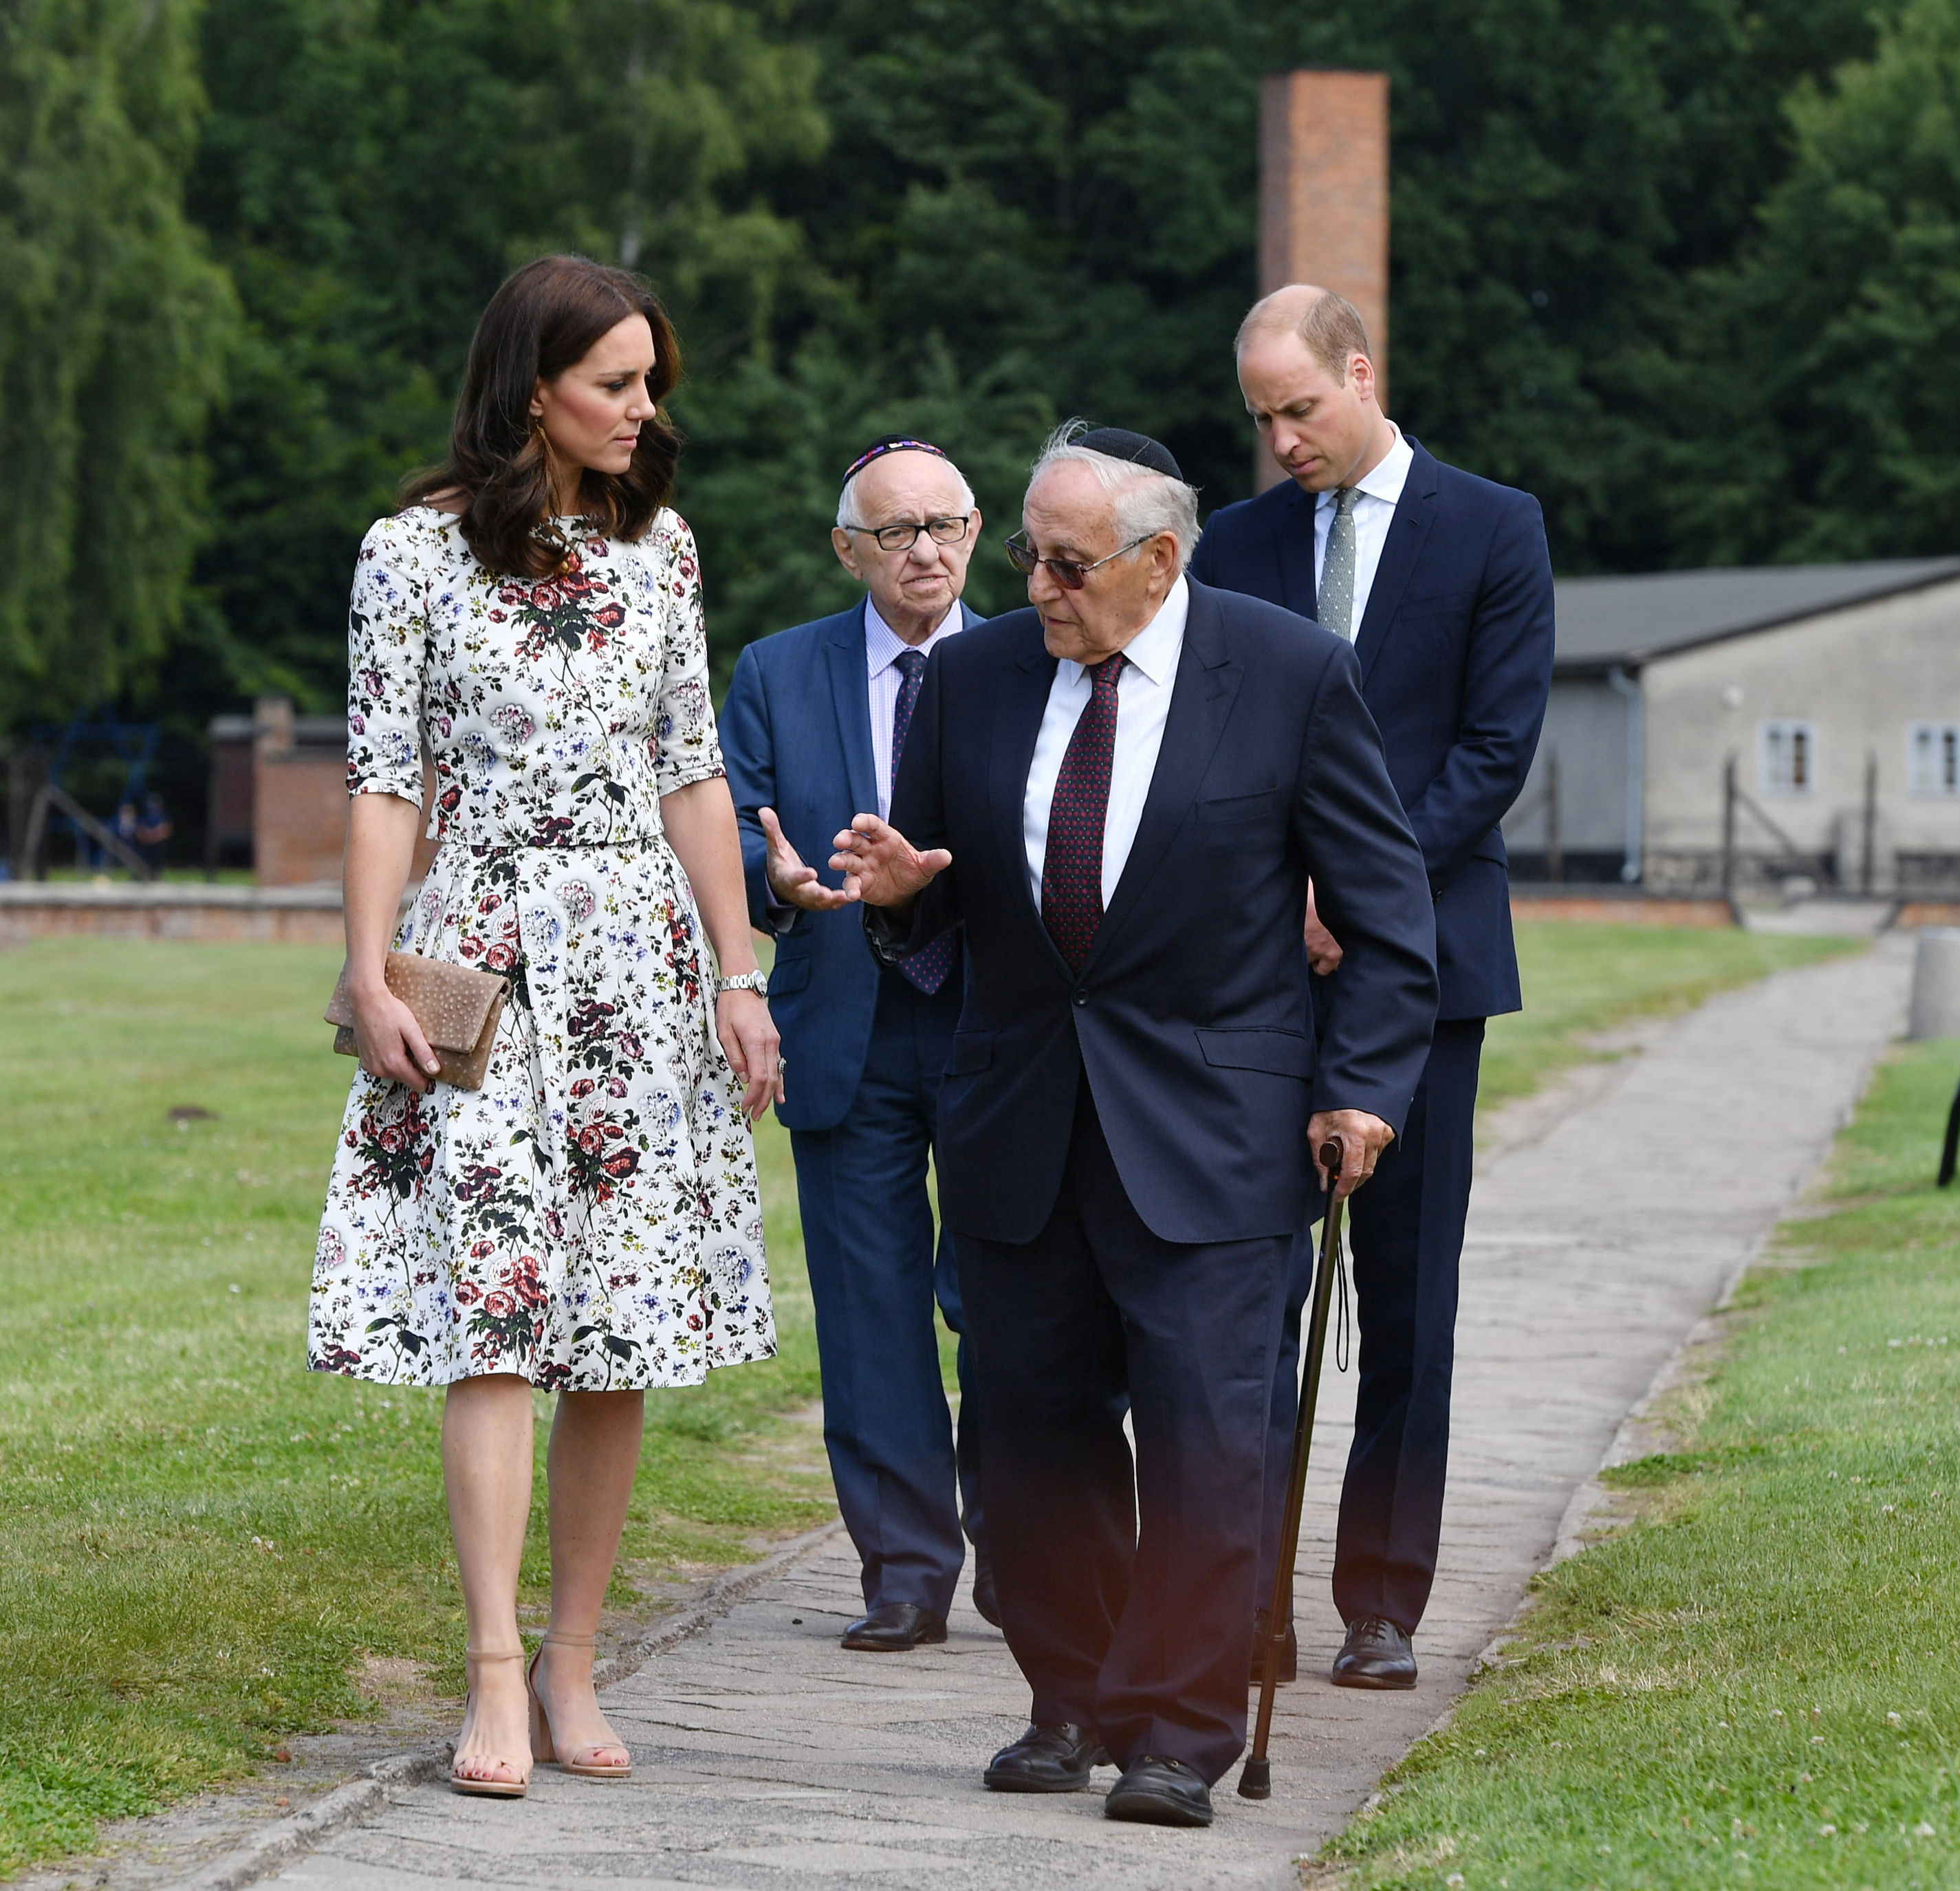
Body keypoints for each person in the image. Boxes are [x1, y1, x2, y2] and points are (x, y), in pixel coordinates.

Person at [828, 422, 1437, 1827]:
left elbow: (1390, 916)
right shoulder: (975, 679)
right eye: (1029, 554)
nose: (1031, 585)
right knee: (1027, 1447)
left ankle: (1176, 1724)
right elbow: (929, 908)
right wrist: (907, 895)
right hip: (1021, 1123)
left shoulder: (1286, 675)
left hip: (1217, 1133)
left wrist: (1361, 1088)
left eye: (1063, 562)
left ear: (1158, 560)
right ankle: (1075, 1687)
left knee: (1210, 1443)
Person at [308, 254, 782, 1799]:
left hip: (639, 971)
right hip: (488, 965)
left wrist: (736, 972)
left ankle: (578, 1656)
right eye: (618, 383)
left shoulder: (664, 556)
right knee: (496, 1312)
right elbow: (384, 780)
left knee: (617, 1328)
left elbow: (692, 772)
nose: (647, 411)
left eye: (654, 384)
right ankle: (495, 1670)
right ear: (534, 392)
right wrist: (371, 970)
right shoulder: (411, 554)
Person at [1190, 285, 1554, 1692]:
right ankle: (1245, 1593)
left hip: (1427, 972)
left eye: (1299, 409)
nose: (1282, 440)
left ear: (1360, 373)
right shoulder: (1236, 543)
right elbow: (1217, 742)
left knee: (1405, 1299)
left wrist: (1357, 887)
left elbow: (1493, 747)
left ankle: (1381, 1602)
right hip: (1263, 972)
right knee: (1249, 1297)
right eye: (1260, 419)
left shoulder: (1491, 525)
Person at [717, 435, 990, 1650]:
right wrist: (768, 880)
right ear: (847, 549)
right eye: (895, 532)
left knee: (1007, 1303)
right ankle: (906, 1570)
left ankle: (1030, 1549)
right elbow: (723, 824)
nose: (924, 550)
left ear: (978, 532)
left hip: (1001, 1026)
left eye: (944, 525)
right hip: (846, 1022)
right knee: (870, 1308)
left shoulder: (1035, 658)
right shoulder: (779, 671)